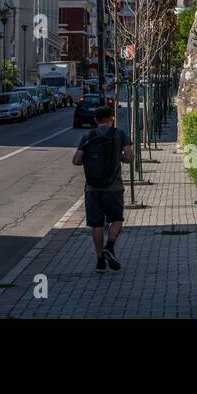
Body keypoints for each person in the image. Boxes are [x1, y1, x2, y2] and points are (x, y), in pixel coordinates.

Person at [71, 106, 133, 272]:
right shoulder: (119, 134)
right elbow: (129, 157)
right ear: (111, 118)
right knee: (117, 219)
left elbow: (76, 160)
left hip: (92, 188)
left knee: (96, 224)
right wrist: (119, 157)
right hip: (114, 187)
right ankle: (110, 246)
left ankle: (99, 260)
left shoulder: (87, 136)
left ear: (95, 120)